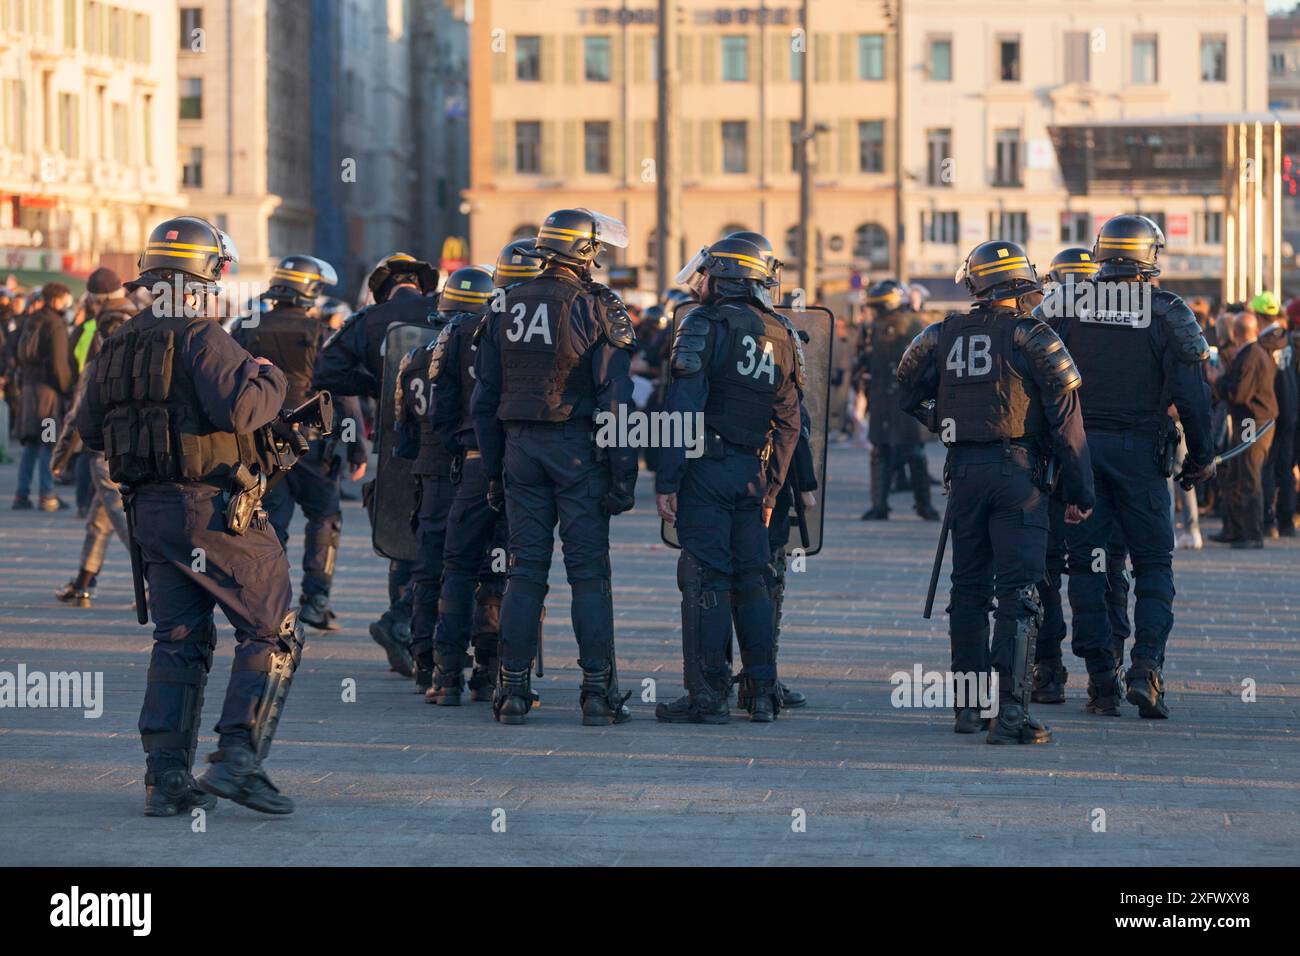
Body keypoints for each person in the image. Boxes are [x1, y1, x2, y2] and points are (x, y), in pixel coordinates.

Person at [76, 216, 302, 815]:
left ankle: (166, 780)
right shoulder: (204, 333)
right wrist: (271, 377)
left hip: (150, 513)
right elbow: (242, 408)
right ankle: (239, 760)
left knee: (178, 638)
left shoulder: (118, 340)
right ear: (208, 273)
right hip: (212, 510)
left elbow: (89, 430)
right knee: (270, 628)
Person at [897, 240, 1094, 744]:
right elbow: (1066, 421)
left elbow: (906, 390)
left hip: (963, 474)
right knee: (1019, 593)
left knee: (967, 591)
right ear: (1022, 285)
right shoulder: (1035, 336)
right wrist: (1079, 490)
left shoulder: (940, 334)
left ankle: (968, 708)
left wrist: (948, 425)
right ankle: (1011, 713)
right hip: (1019, 475)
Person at [471, 208, 637, 726]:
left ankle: (513, 691)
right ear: (584, 252)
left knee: (525, 573)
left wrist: (495, 471)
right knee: (589, 575)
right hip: (578, 450)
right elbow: (617, 400)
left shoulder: (504, 304)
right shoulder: (598, 307)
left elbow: (485, 399)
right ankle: (595, 694)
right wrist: (623, 473)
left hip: (520, 449)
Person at [1054, 215, 1214, 719]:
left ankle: (1102, 682)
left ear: (1101, 254)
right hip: (1142, 456)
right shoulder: (1168, 311)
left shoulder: (1067, 308)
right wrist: (1202, 458)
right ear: (1151, 257)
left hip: (1080, 454)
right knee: (1152, 566)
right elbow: (1194, 395)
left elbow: (1042, 383)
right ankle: (1145, 668)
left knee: (1089, 566)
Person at [654, 235, 802, 723]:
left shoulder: (702, 324)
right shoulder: (781, 333)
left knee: (704, 579)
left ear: (723, 278)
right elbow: (790, 422)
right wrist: (773, 489)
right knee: (753, 582)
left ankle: (707, 694)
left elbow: (683, 406)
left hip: (706, 471)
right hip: (753, 476)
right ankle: (761, 692)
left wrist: (668, 479)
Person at [314, 253, 441, 673]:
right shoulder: (447, 310)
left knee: (399, 540)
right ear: (421, 286)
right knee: (448, 539)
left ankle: (402, 637)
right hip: (447, 444)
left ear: (382, 289)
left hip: (392, 446)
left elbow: (326, 371)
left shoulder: (367, 320)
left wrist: (379, 383)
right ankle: (428, 639)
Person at [428, 247, 540, 704]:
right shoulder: (550, 323)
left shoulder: (461, 329)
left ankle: (445, 676)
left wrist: (463, 444)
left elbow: (442, 409)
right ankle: (499, 675)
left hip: (474, 462)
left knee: (457, 568)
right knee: (515, 571)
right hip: (528, 464)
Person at [1030, 248, 1131, 703]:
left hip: (1052, 469)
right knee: (1104, 568)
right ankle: (1104, 672)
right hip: (1102, 466)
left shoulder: (1041, 326)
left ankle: (1049, 669)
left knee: (1047, 570)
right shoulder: (1123, 323)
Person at [234, 255, 346, 631]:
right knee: (325, 517)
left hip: (261, 444)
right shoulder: (320, 333)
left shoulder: (246, 327)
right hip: (310, 444)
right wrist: (355, 444)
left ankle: (270, 604)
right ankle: (315, 602)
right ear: (309, 290)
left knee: (270, 524)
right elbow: (338, 392)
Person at [51, 271, 137, 607]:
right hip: (132, 434)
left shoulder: (107, 327)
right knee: (101, 517)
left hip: (106, 439)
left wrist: (60, 454)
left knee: (122, 517)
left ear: (93, 299)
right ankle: (84, 581)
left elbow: (85, 397)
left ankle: (156, 582)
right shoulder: (140, 318)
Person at [856, 279, 938, 521]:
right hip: (888, 395)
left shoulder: (909, 324)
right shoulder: (879, 326)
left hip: (901, 396)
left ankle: (918, 504)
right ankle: (890, 505)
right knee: (888, 450)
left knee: (910, 451)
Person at [1209, 307, 1279, 549]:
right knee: (1237, 475)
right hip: (1251, 420)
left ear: (1235, 333)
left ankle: (1253, 533)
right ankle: (1237, 529)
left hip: (1253, 422)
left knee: (1249, 476)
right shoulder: (1253, 352)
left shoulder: (1251, 355)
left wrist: (1217, 381)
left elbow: (1239, 394)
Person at [13, 281, 75, 511]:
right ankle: (47, 495)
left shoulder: (32, 321)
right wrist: (68, 390)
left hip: (29, 392)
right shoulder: (55, 324)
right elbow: (60, 365)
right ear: (57, 300)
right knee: (47, 443)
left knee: (30, 444)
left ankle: (21, 495)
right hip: (48, 397)